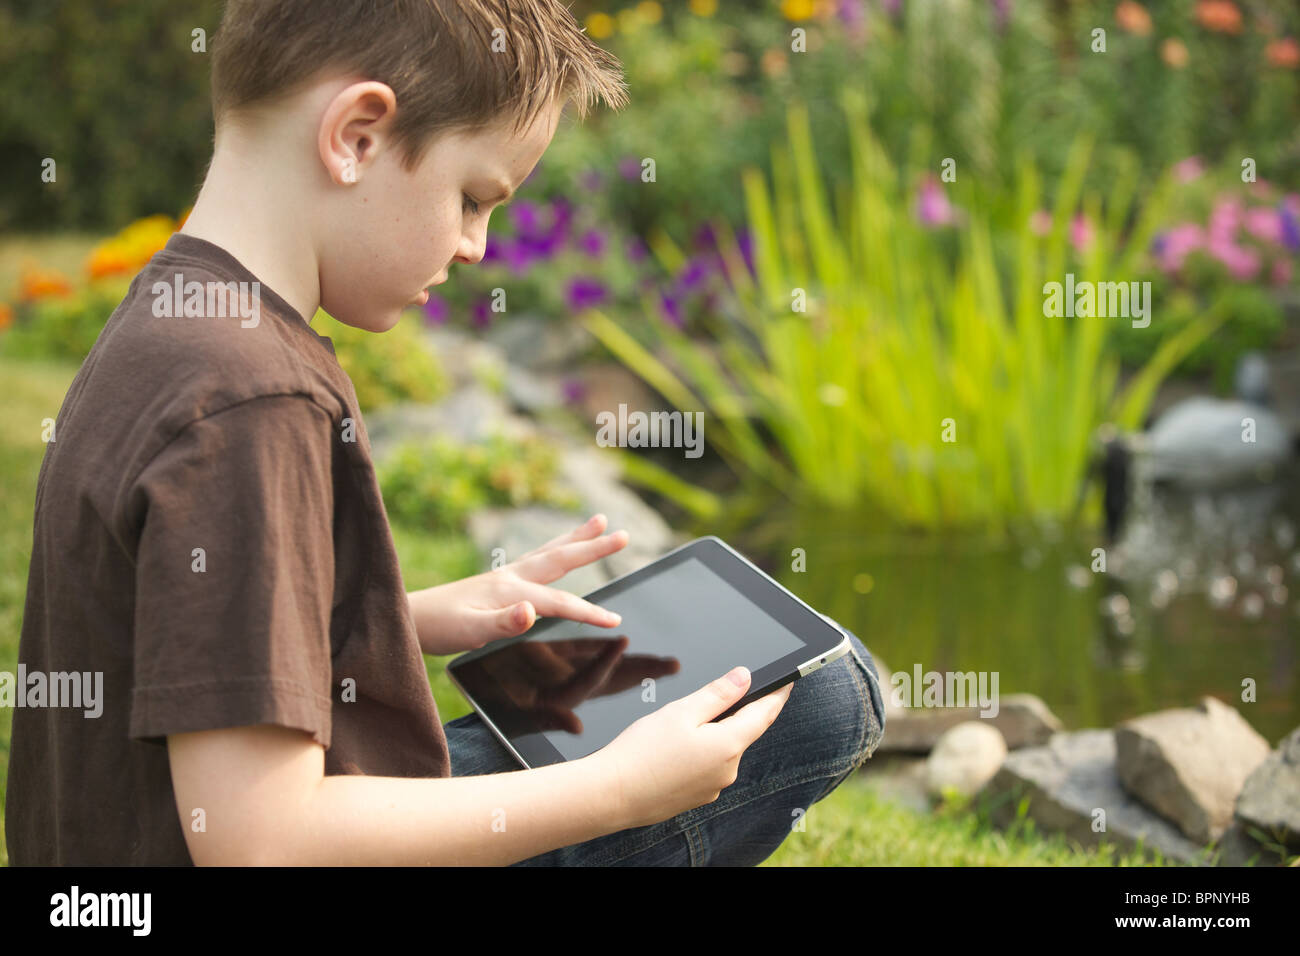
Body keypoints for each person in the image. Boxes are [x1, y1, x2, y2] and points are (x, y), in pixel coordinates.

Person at [5, 0, 884, 867]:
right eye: (472, 198)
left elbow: (172, 621)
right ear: (357, 135)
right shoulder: (254, 401)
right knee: (826, 695)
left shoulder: (177, 314)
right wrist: (619, 790)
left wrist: (402, 615)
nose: (477, 247)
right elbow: (259, 841)